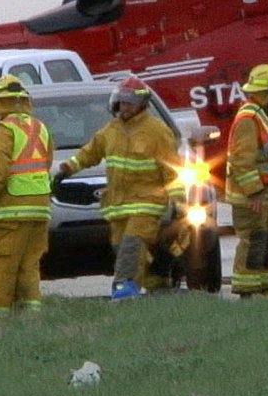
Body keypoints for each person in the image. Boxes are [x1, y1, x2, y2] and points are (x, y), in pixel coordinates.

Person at [55, 76, 184, 299]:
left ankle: (124, 288)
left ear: (142, 104)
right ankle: (157, 281)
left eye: (130, 102)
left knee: (131, 245)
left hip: (146, 204)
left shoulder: (157, 131)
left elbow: (172, 170)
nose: (125, 107)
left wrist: (179, 202)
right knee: (122, 248)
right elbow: (91, 152)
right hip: (117, 205)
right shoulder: (110, 130)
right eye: (122, 102)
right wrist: (68, 168)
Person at [0, 75, 54, 314]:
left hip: (11, 209)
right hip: (40, 208)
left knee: (2, 263)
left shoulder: (4, 130)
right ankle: (30, 314)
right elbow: (47, 163)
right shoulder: (40, 127)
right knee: (29, 264)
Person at [225, 64, 268, 297]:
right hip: (251, 197)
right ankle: (247, 291)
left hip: (265, 193)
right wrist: (254, 191)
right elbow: (242, 160)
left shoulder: (263, 117)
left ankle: (262, 288)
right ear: (267, 94)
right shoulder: (249, 118)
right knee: (254, 239)